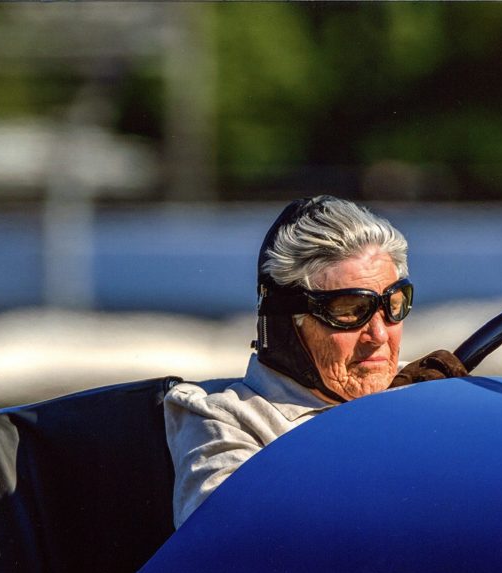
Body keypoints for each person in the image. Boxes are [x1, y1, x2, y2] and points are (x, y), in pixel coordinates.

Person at [165, 195, 466, 528]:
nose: (379, 334)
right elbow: (226, 546)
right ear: (288, 325)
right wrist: (380, 430)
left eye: (394, 305)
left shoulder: (422, 392)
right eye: (351, 310)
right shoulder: (224, 417)